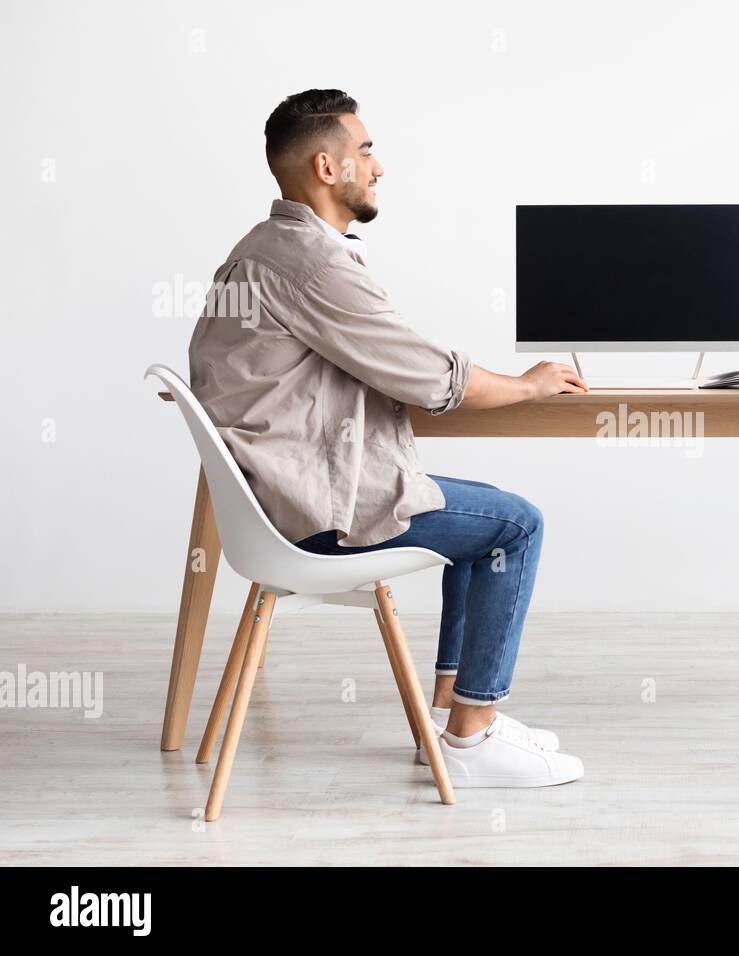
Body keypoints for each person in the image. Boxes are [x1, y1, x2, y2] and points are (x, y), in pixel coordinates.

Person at [188, 89, 588, 788]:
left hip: (269, 508)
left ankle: (451, 714)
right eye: (365, 150)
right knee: (516, 525)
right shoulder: (312, 263)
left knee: (481, 509)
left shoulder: (259, 249)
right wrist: (528, 385)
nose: (379, 166)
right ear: (326, 166)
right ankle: (473, 736)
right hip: (315, 518)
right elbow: (429, 379)